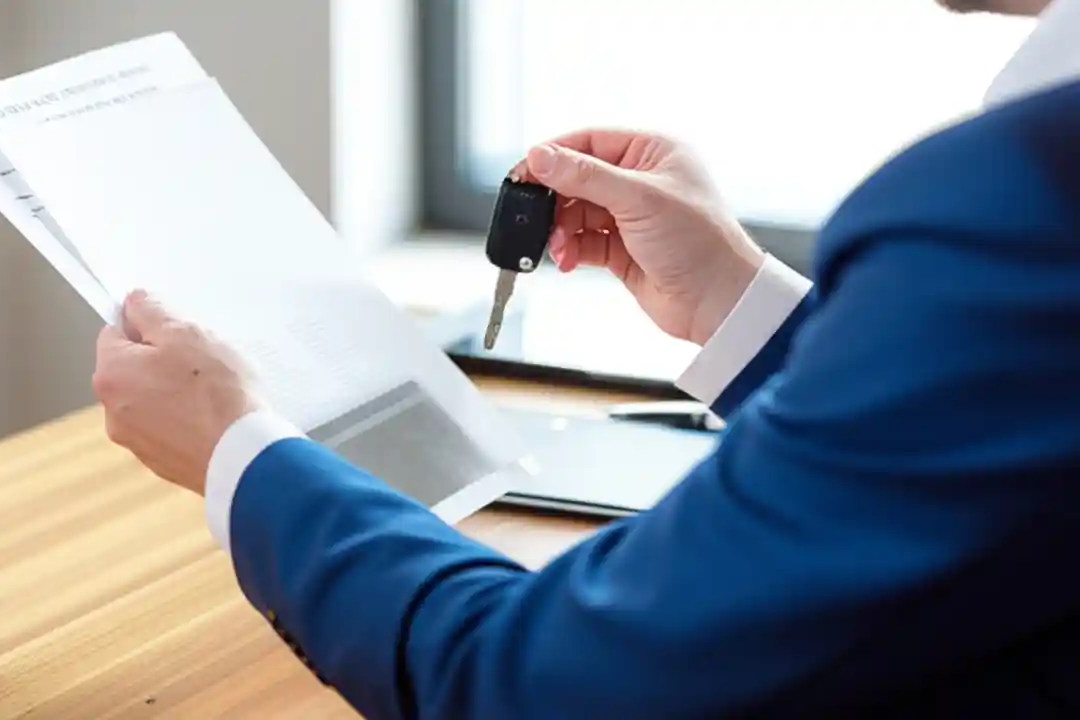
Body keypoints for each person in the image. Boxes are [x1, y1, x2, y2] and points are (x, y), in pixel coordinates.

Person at [91, 0, 1080, 715]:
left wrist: (243, 455)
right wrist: (737, 305)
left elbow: (537, 685)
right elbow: (995, 462)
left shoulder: (1017, 194)